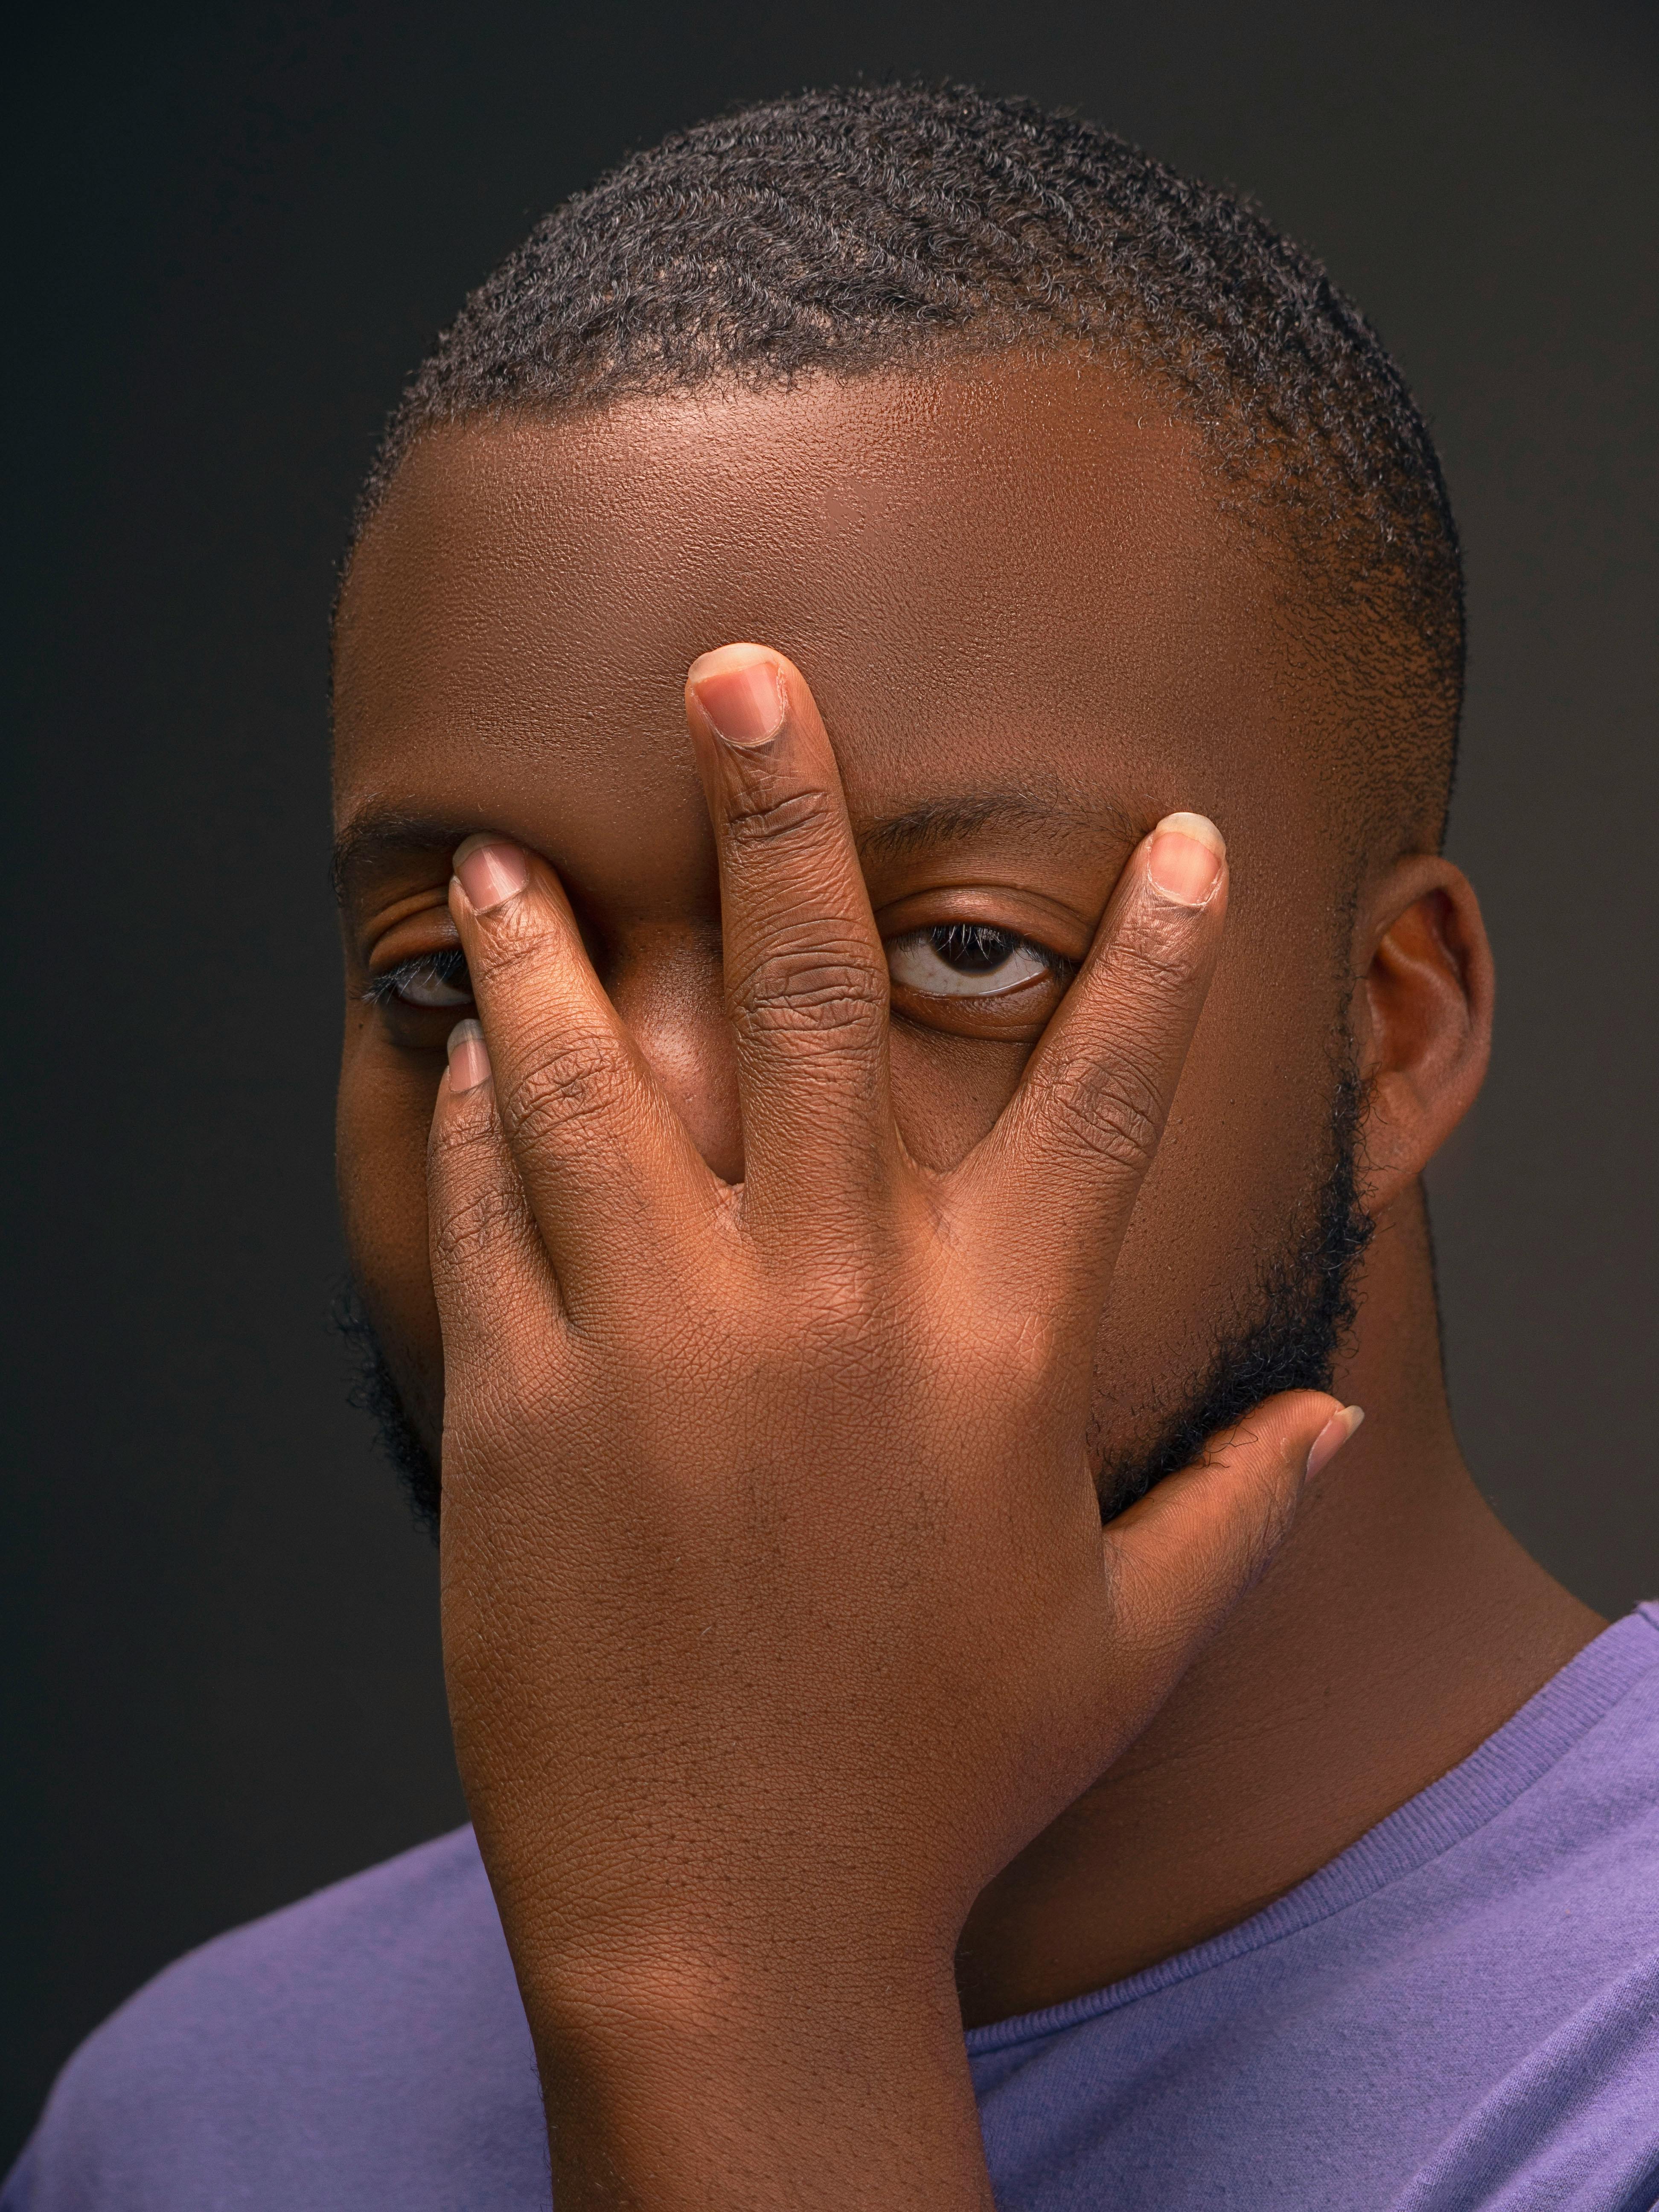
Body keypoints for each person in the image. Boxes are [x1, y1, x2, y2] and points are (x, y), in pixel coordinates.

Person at [7, 80, 1656, 2212]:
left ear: (1392, 1029)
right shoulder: (201, 2129)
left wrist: (746, 1990)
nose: (646, 1118)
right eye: (456, 976)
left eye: (964, 951)